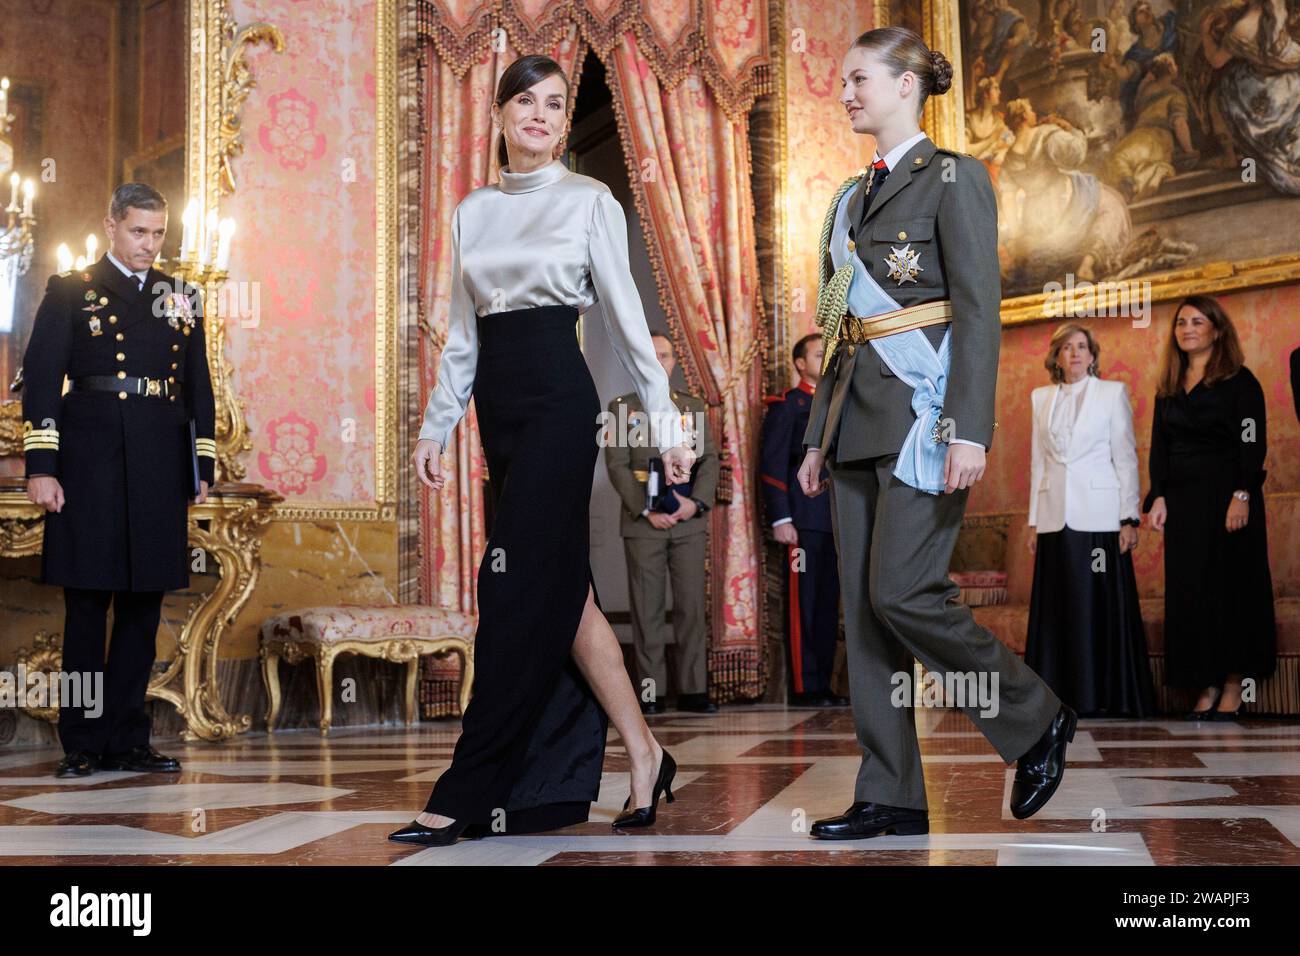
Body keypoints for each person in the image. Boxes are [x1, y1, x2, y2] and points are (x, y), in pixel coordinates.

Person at [389, 56, 697, 847]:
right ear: (499, 116)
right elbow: (462, 337)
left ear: (565, 124)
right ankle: (645, 751)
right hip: (500, 407)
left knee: (516, 595)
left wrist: (665, 426)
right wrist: (436, 424)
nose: (539, 114)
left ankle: (468, 785)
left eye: (554, 105)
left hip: (562, 402)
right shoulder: (470, 212)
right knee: (567, 593)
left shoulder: (591, 201)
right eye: (523, 101)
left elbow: (629, 326)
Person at [796, 26, 1075, 840]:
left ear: (909, 83)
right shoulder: (850, 199)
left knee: (903, 593)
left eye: (859, 79)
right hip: (853, 424)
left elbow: (979, 313)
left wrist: (967, 429)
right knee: (866, 614)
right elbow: (840, 324)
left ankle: (1034, 717)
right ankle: (891, 792)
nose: (845, 92)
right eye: (843, 80)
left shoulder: (955, 177)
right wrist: (815, 437)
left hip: (924, 419)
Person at [20, 182, 214, 778]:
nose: (149, 245)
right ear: (111, 225)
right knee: (86, 604)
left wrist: (200, 464)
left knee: (143, 606)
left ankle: (130, 736)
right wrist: (42, 468)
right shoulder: (70, 290)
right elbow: (44, 379)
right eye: (138, 231)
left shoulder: (181, 296)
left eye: (158, 234)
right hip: (90, 459)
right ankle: (81, 741)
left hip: (158, 459)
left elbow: (199, 388)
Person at [1144, 295, 1276, 719]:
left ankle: (1236, 683)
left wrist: (1243, 494)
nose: (1187, 329)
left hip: (1228, 501)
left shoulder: (1241, 382)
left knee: (1232, 592)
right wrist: (1157, 495)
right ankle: (1204, 681)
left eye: (1197, 322)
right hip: (1183, 505)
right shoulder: (1168, 386)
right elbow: (1159, 446)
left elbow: (1252, 442)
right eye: (1181, 322)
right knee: (1191, 595)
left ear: (1217, 330)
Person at [1025, 323, 1156, 718]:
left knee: (1094, 606)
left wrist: (1128, 517)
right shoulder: (1040, 398)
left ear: (1093, 355)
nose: (1075, 354)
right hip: (1052, 519)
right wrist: (1034, 520)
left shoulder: (1111, 394)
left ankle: (1100, 696)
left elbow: (1125, 457)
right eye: (1067, 348)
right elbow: (1038, 463)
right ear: (1057, 358)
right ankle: (1056, 699)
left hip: (1100, 517)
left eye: (1082, 347)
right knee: (1058, 608)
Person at [605, 332, 719, 715]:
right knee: (646, 609)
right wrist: (645, 509)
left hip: (688, 520)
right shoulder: (621, 409)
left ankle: (693, 690)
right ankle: (650, 692)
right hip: (643, 521)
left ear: (674, 361)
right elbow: (617, 466)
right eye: (651, 355)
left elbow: (709, 460)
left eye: (665, 355)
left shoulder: (692, 407)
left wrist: (695, 503)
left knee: (690, 607)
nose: (659, 361)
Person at [759, 333, 846, 707]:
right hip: (802, 519)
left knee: (828, 604)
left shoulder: (839, 401)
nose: (824, 357)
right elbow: (773, 465)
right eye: (817, 353)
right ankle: (803, 686)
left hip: (835, 518)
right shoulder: (787, 405)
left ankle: (823, 682)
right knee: (804, 605)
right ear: (799, 363)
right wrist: (781, 517)